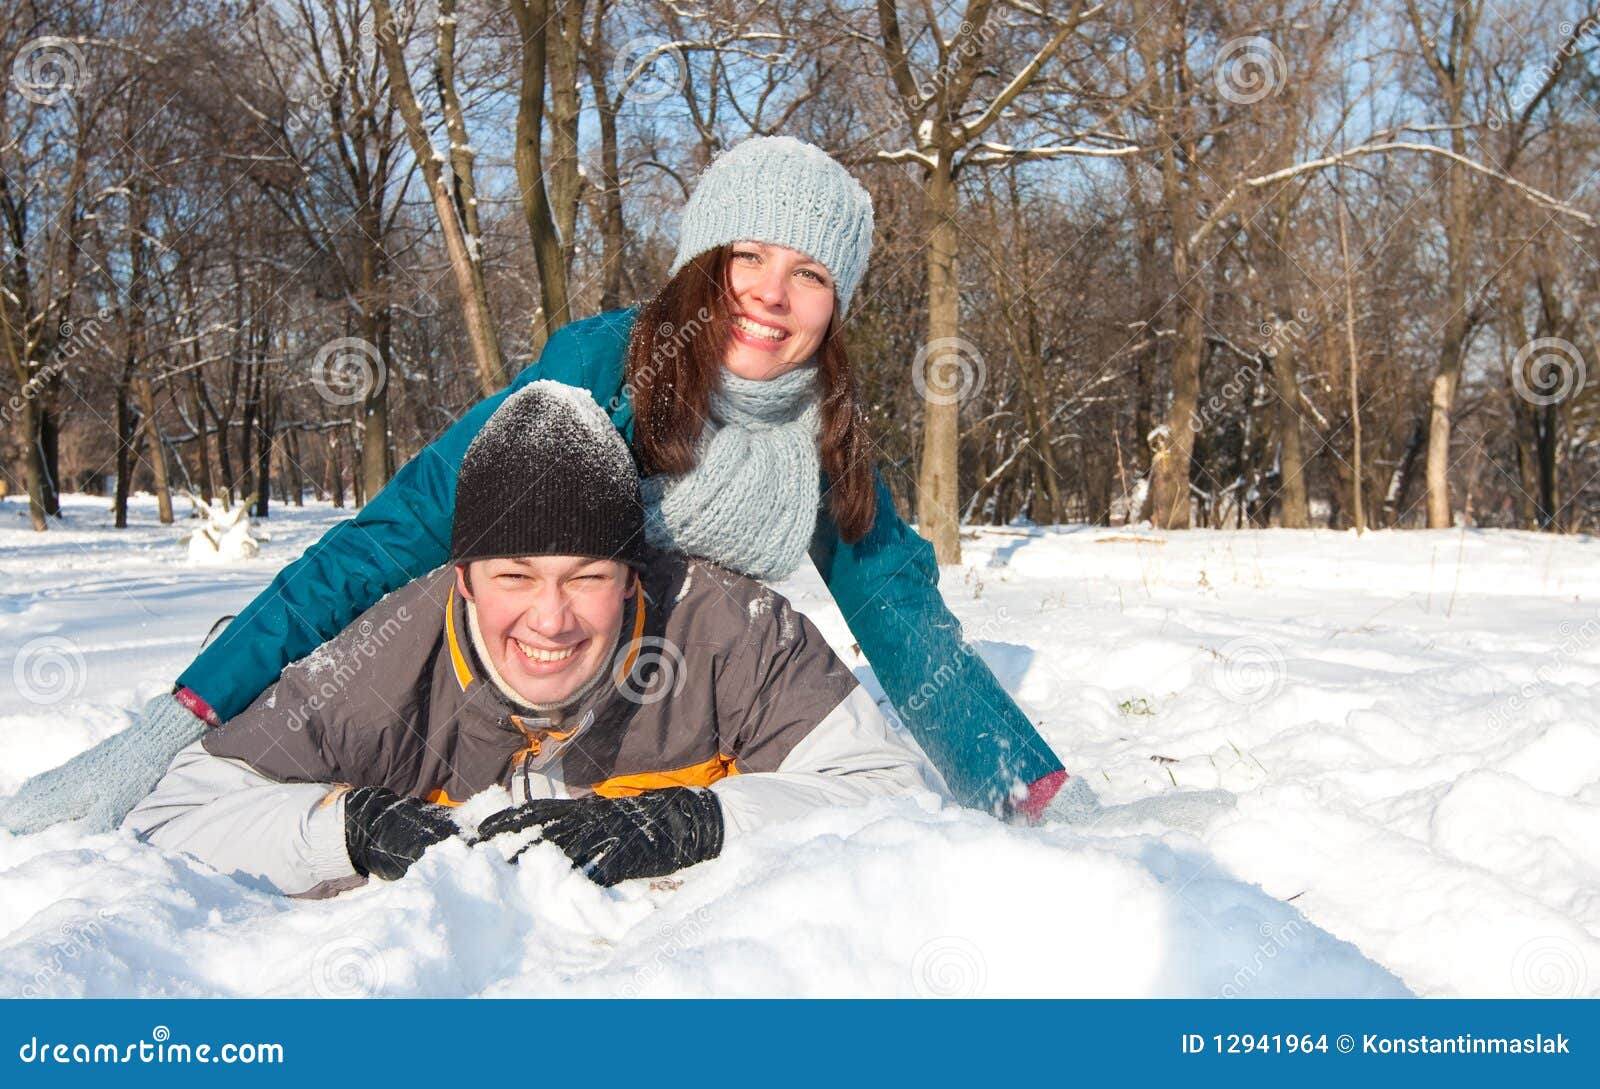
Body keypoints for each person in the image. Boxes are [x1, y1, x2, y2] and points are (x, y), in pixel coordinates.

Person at [3, 135, 1228, 837]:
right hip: (503, 654)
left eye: (808, 274)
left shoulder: (826, 429)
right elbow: (390, 538)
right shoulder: (601, 370)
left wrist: (1029, 787)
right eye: (747, 255)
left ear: (837, 302)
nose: (771, 292)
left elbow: (902, 619)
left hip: (665, 687)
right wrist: (168, 724)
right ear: (703, 262)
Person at [122, 382, 946, 896]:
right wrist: (350, 827)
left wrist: (694, 822)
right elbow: (173, 816)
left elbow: (890, 792)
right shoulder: (375, 665)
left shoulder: (728, 630)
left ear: (633, 577)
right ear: (464, 578)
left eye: (586, 576)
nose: (551, 619)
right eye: (515, 575)